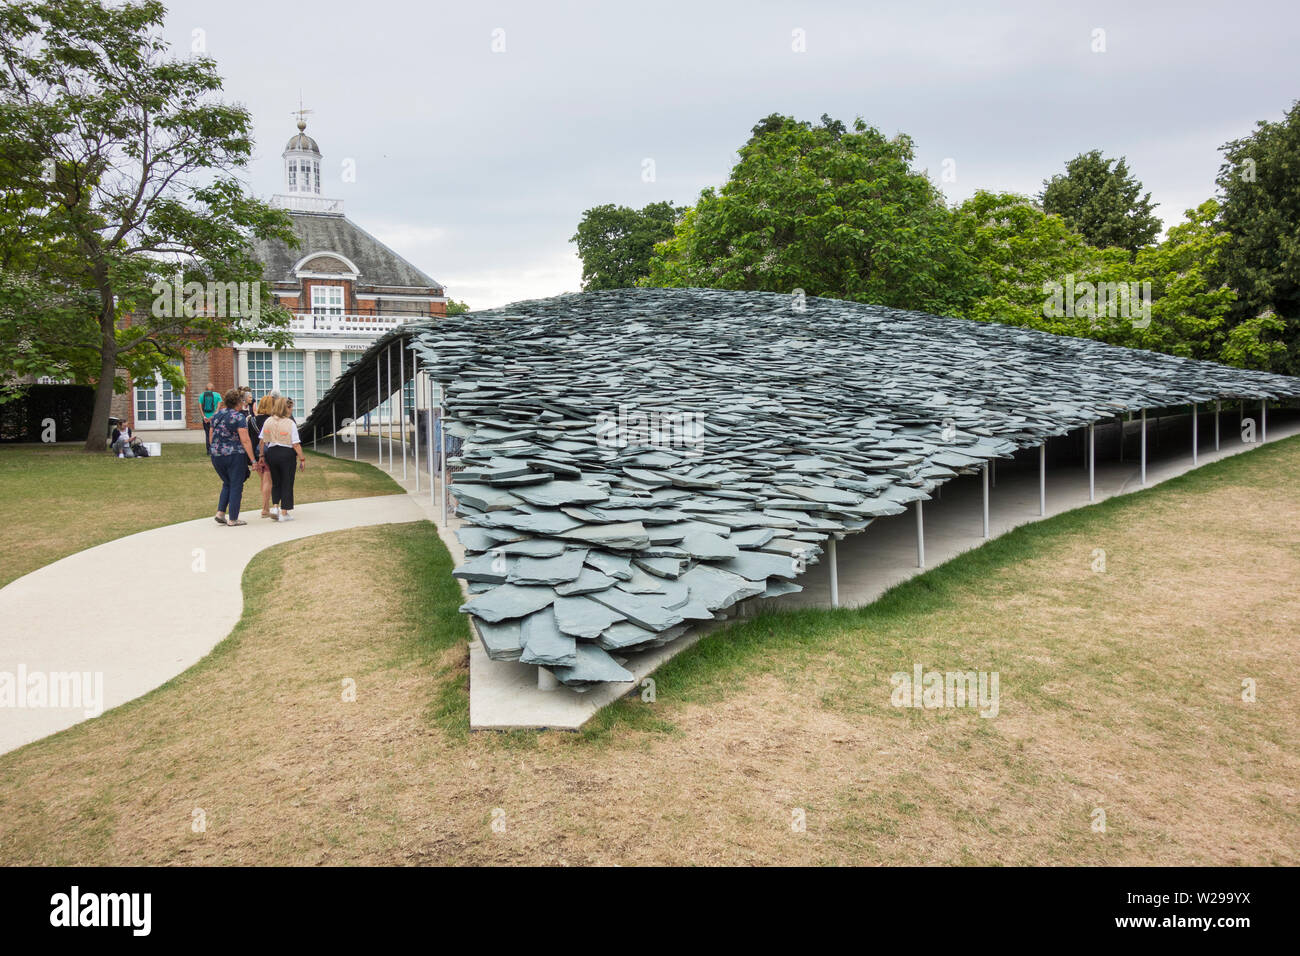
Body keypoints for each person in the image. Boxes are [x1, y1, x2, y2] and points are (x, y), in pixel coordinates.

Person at [208, 387, 257, 526]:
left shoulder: (217, 415)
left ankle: (221, 513)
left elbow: (211, 435)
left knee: (227, 483)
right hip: (234, 455)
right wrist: (253, 460)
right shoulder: (238, 417)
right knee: (236, 485)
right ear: (238, 402)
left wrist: (215, 449)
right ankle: (233, 518)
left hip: (216, 455)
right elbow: (245, 440)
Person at [257, 395, 306, 521]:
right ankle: (284, 512)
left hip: (272, 453)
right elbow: (295, 444)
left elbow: (262, 441)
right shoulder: (290, 423)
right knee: (287, 481)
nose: (292, 411)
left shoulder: (268, 421)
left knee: (276, 482)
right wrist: (302, 459)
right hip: (286, 453)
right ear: (286, 408)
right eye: (290, 408)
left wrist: (261, 455)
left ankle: (275, 507)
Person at [251, 394, 276, 518]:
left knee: (263, 480)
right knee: (268, 481)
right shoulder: (271, 420)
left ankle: (265, 505)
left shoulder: (252, 419)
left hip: (255, 452)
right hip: (265, 451)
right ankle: (265, 508)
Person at [198, 382, 221, 452]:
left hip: (205, 419)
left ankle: (209, 450)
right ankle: (216, 449)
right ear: (213, 388)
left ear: (206, 388)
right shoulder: (217, 395)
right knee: (216, 434)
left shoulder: (202, 395)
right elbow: (218, 408)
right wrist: (212, 417)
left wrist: (204, 417)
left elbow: (200, 407)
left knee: (208, 434)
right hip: (215, 418)